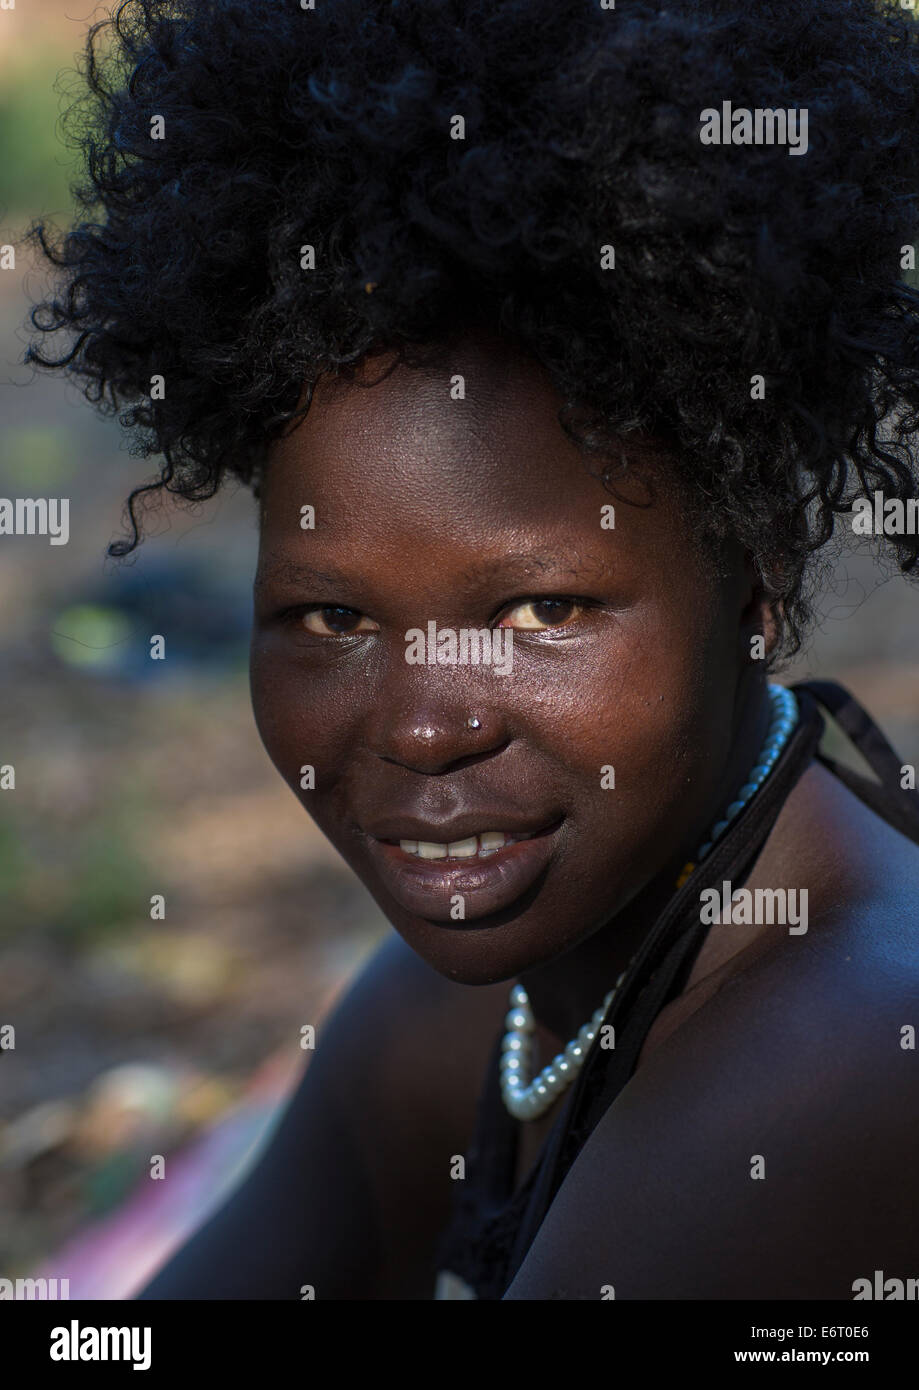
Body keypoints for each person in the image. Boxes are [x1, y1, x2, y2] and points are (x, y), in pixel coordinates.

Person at [24, 0, 919, 1299]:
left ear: (758, 569)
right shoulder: (479, 1005)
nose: (427, 727)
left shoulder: (837, 1075)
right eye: (334, 618)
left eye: (541, 612)